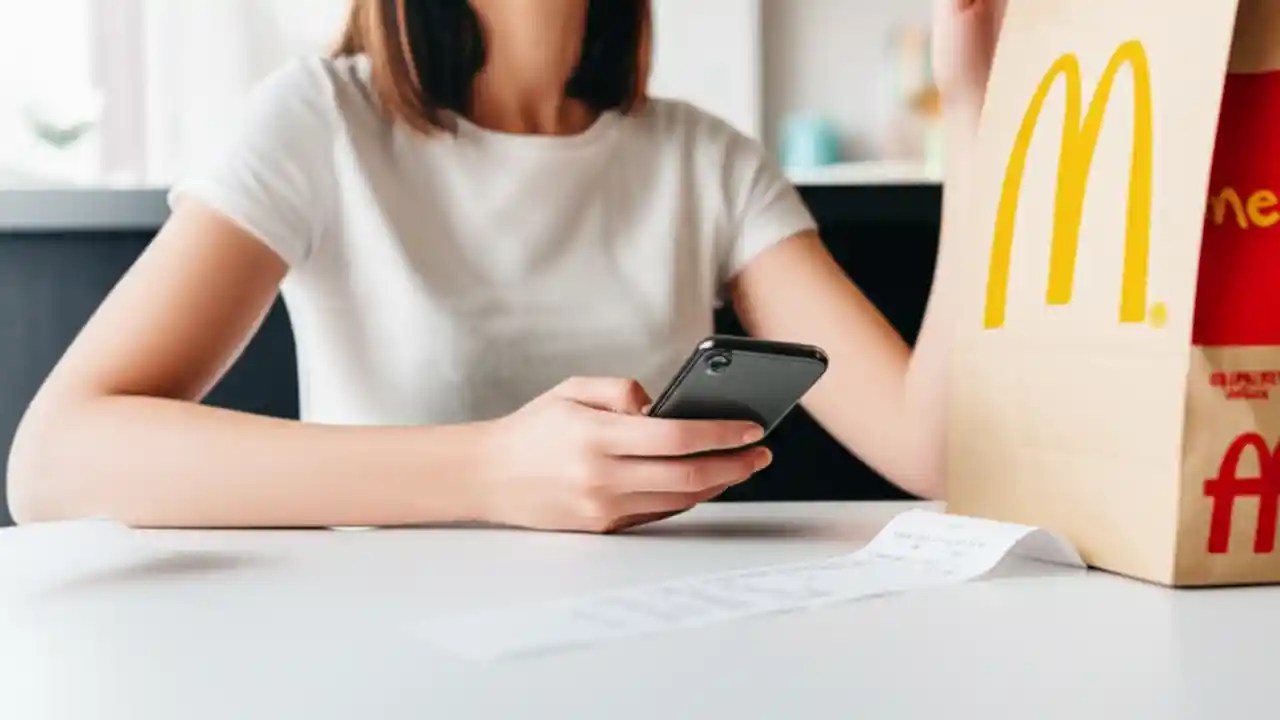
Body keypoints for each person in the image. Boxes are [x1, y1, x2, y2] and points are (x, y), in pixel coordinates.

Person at [7, 0, 1006, 532]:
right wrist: (490, 469)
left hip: (655, 652)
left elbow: (934, 455)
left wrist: (971, 115)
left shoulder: (705, 158)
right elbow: (56, 462)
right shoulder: (319, 121)